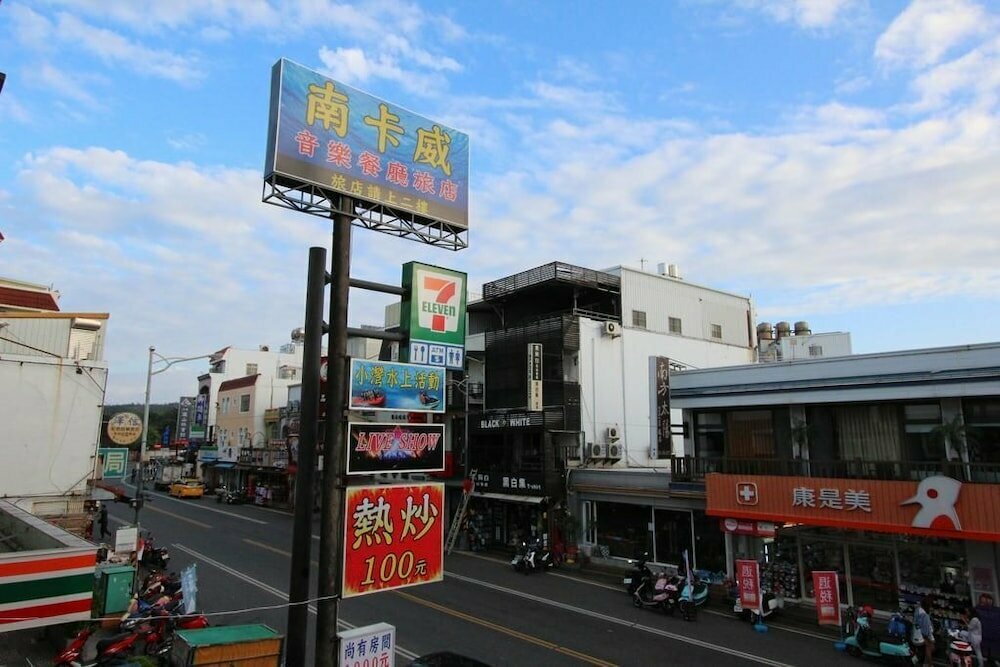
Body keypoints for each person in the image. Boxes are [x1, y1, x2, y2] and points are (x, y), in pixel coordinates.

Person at [914, 596, 936, 666]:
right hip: (922, 636)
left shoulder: (918, 610)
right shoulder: (924, 615)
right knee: (929, 648)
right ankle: (929, 664)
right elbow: (925, 630)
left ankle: (926, 663)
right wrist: (928, 639)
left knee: (925, 650)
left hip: (917, 634)